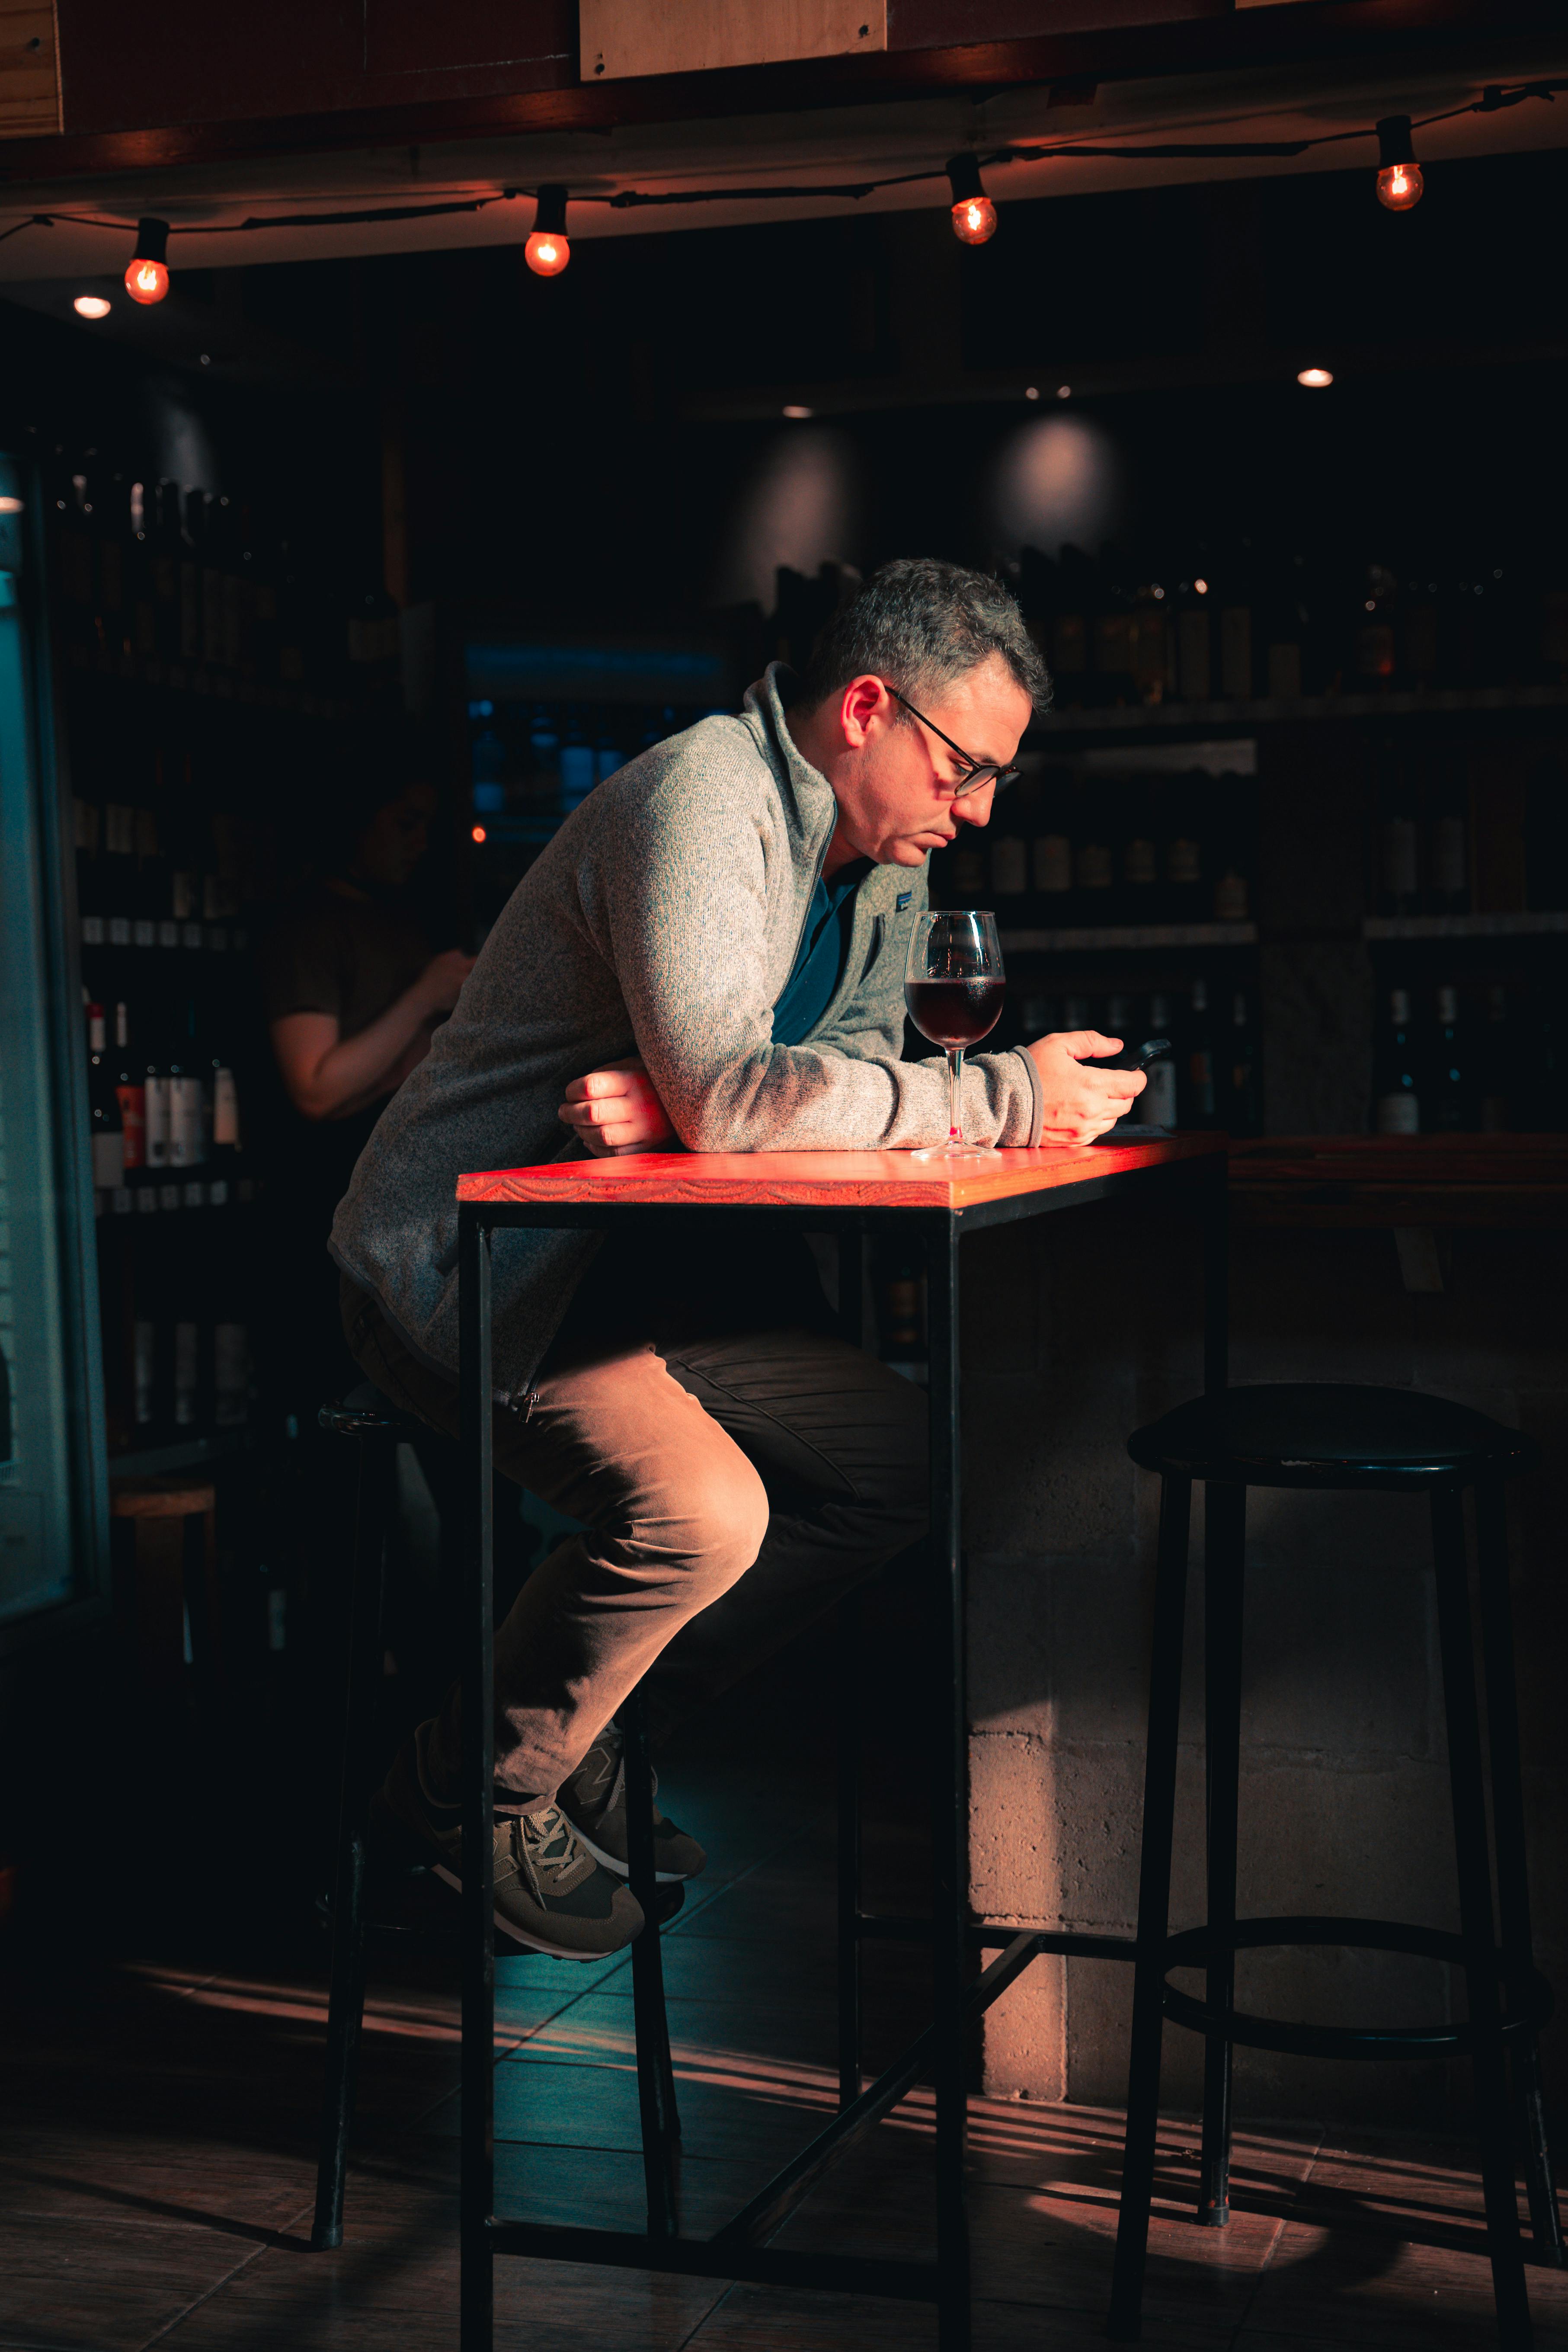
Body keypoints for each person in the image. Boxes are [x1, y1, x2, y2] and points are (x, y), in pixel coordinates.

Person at [330, 560, 1145, 1962]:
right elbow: (752, 1103)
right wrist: (999, 1095)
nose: (979, 810)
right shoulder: (704, 797)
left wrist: (688, 1110)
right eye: (965, 768)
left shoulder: (886, 866)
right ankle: (470, 1789)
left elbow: (830, 1083)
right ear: (866, 709)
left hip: (657, 1274)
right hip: (484, 1269)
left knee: (904, 1462)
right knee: (703, 1516)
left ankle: (596, 1731)